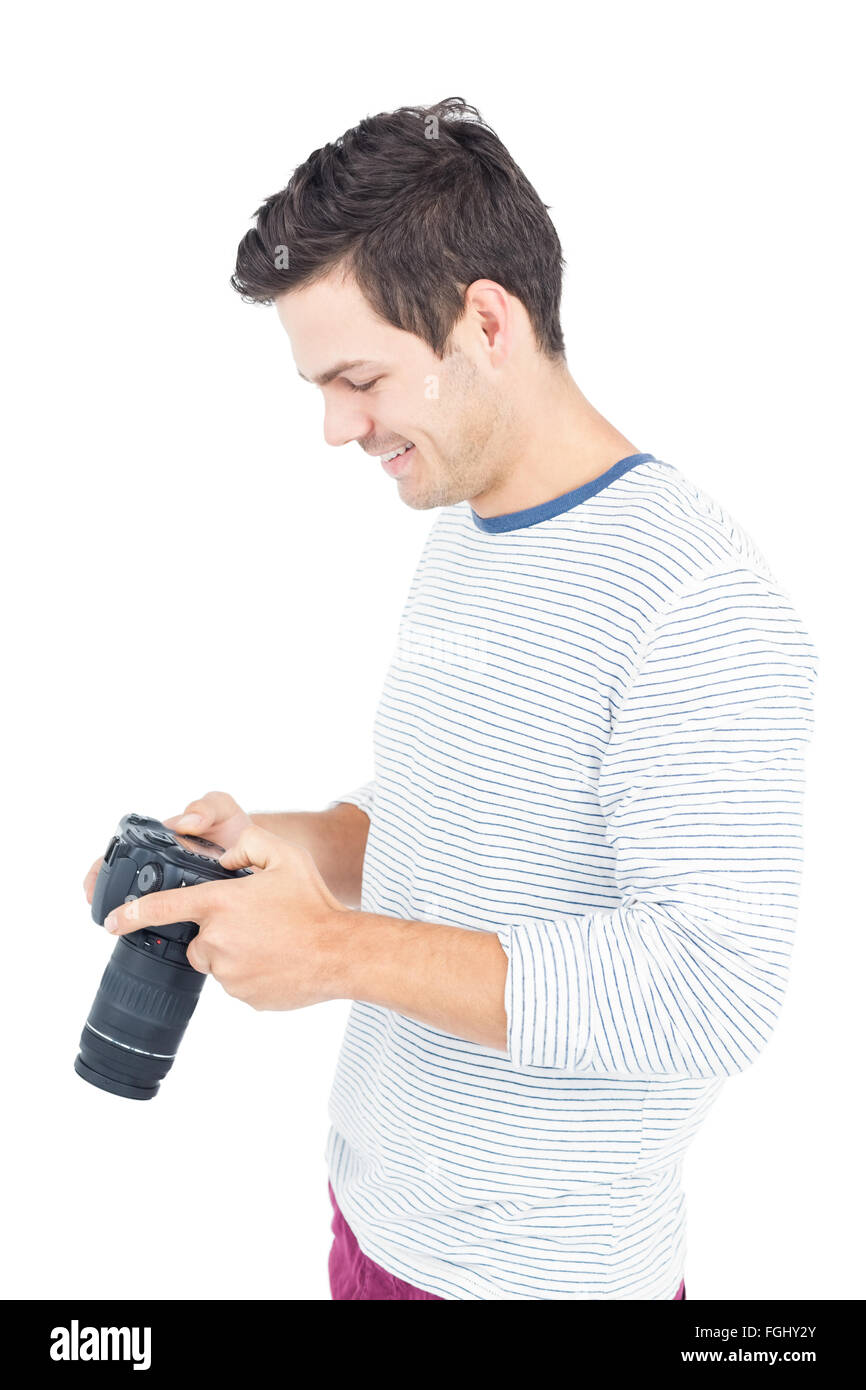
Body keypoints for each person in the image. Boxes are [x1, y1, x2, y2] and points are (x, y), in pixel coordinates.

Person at [84, 98, 818, 1300]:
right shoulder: (471, 528)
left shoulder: (700, 602)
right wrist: (268, 849)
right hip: (374, 1228)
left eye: (358, 377)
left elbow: (708, 990)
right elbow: (443, 818)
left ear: (485, 320)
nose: (334, 428)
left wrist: (334, 951)